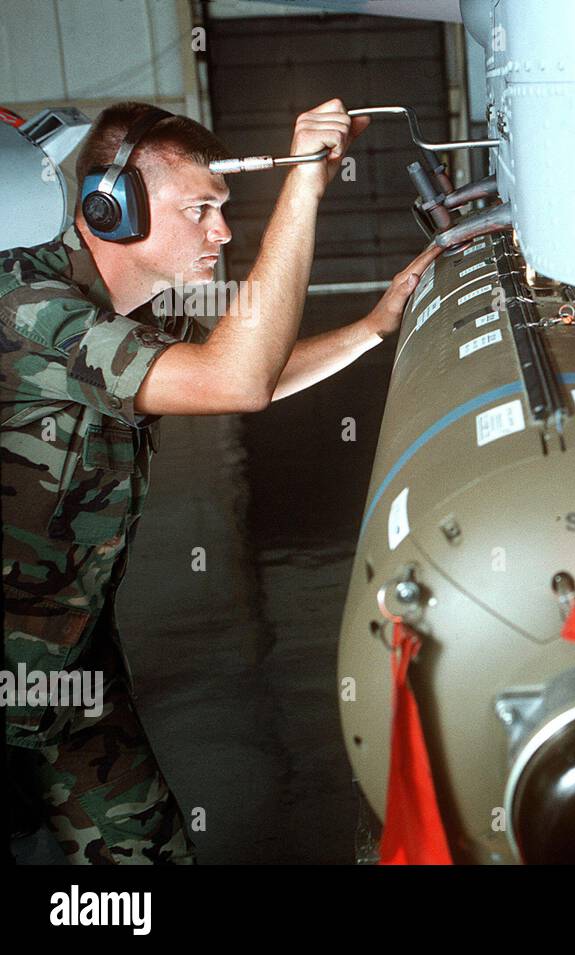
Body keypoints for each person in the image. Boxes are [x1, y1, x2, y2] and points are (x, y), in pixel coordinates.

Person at [2, 99, 435, 863]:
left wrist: (374, 326)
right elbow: (234, 379)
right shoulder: (34, 309)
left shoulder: (136, 318)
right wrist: (303, 184)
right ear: (112, 208)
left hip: (71, 669)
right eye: (199, 209)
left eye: (223, 210)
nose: (223, 232)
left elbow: (249, 372)